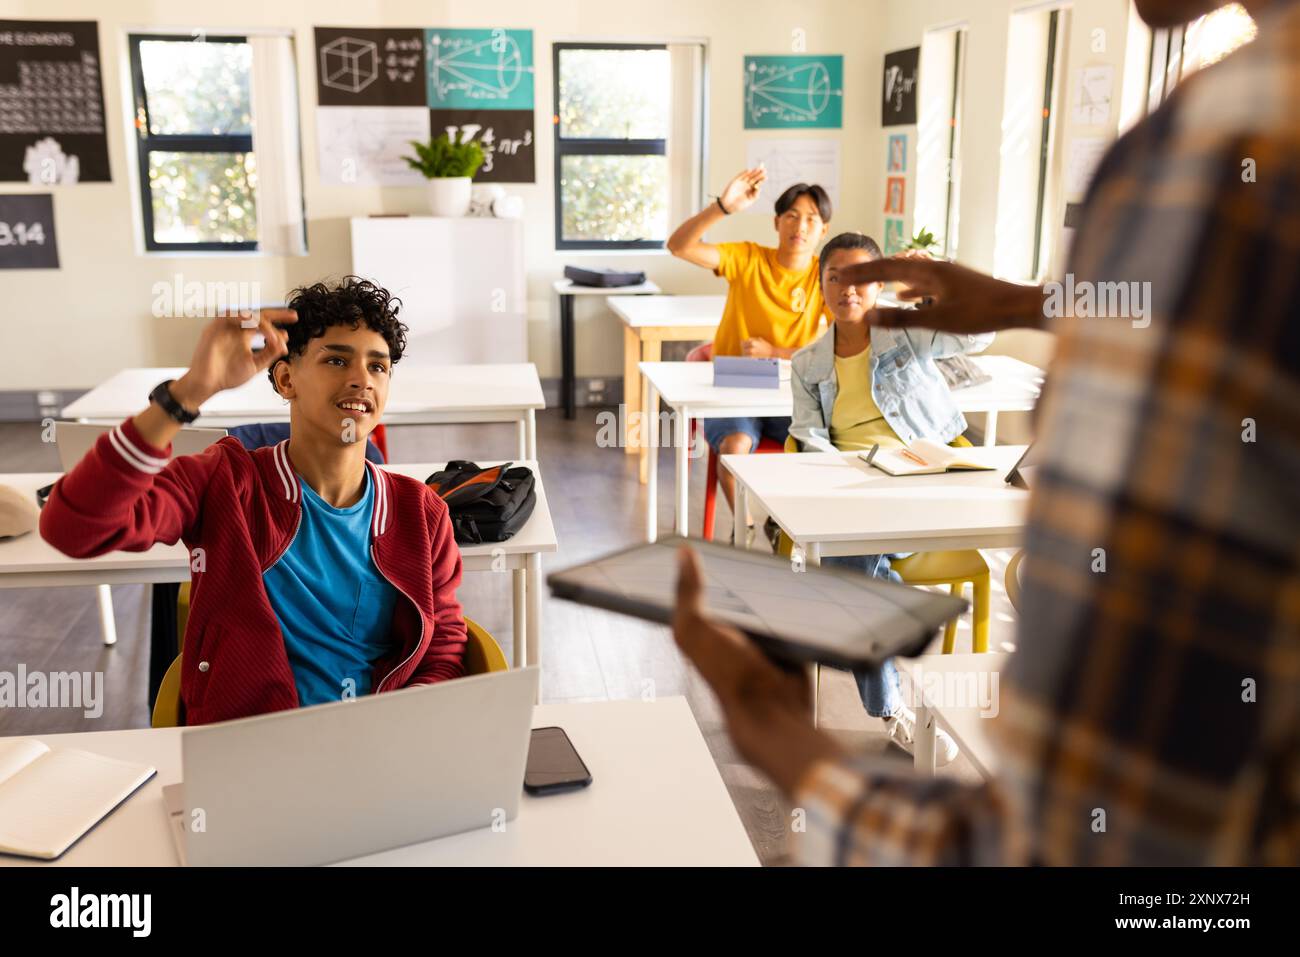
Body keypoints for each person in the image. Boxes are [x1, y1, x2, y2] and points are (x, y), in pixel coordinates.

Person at [672, 0, 1299, 865]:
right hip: (845, 483)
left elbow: (1110, 854)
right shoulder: (1226, 138)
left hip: (928, 477)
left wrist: (791, 747)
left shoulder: (1229, 145)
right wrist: (1022, 304)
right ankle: (895, 677)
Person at [40, 277, 468, 726]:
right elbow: (72, 528)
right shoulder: (224, 481)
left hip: (379, 743)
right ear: (286, 380)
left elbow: (443, 648)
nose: (361, 379)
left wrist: (401, 726)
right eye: (337, 360)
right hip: (246, 747)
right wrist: (189, 393)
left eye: (378, 367)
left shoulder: (420, 511)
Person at [789, 232, 993, 765]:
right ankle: (896, 705)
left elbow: (978, 335)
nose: (847, 290)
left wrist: (938, 280)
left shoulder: (907, 334)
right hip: (852, 485)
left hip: (923, 478)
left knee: (846, 576)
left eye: (860, 278)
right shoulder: (807, 363)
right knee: (854, 567)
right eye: (835, 276)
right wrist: (832, 475)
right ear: (822, 284)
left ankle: (891, 697)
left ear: (878, 285)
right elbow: (807, 436)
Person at [666, 167, 831, 527]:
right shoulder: (748, 259)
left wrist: (776, 353)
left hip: (791, 395)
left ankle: (798, 530)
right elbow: (679, 246)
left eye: (811, 219)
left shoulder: (824, 275)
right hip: (733, 389)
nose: (800, 227)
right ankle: (751, 534)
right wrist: (722, 208)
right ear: (776, 223)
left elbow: (841, 344)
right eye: (791, 216)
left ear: (824, 230)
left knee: (823, 447)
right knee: (735, 447)